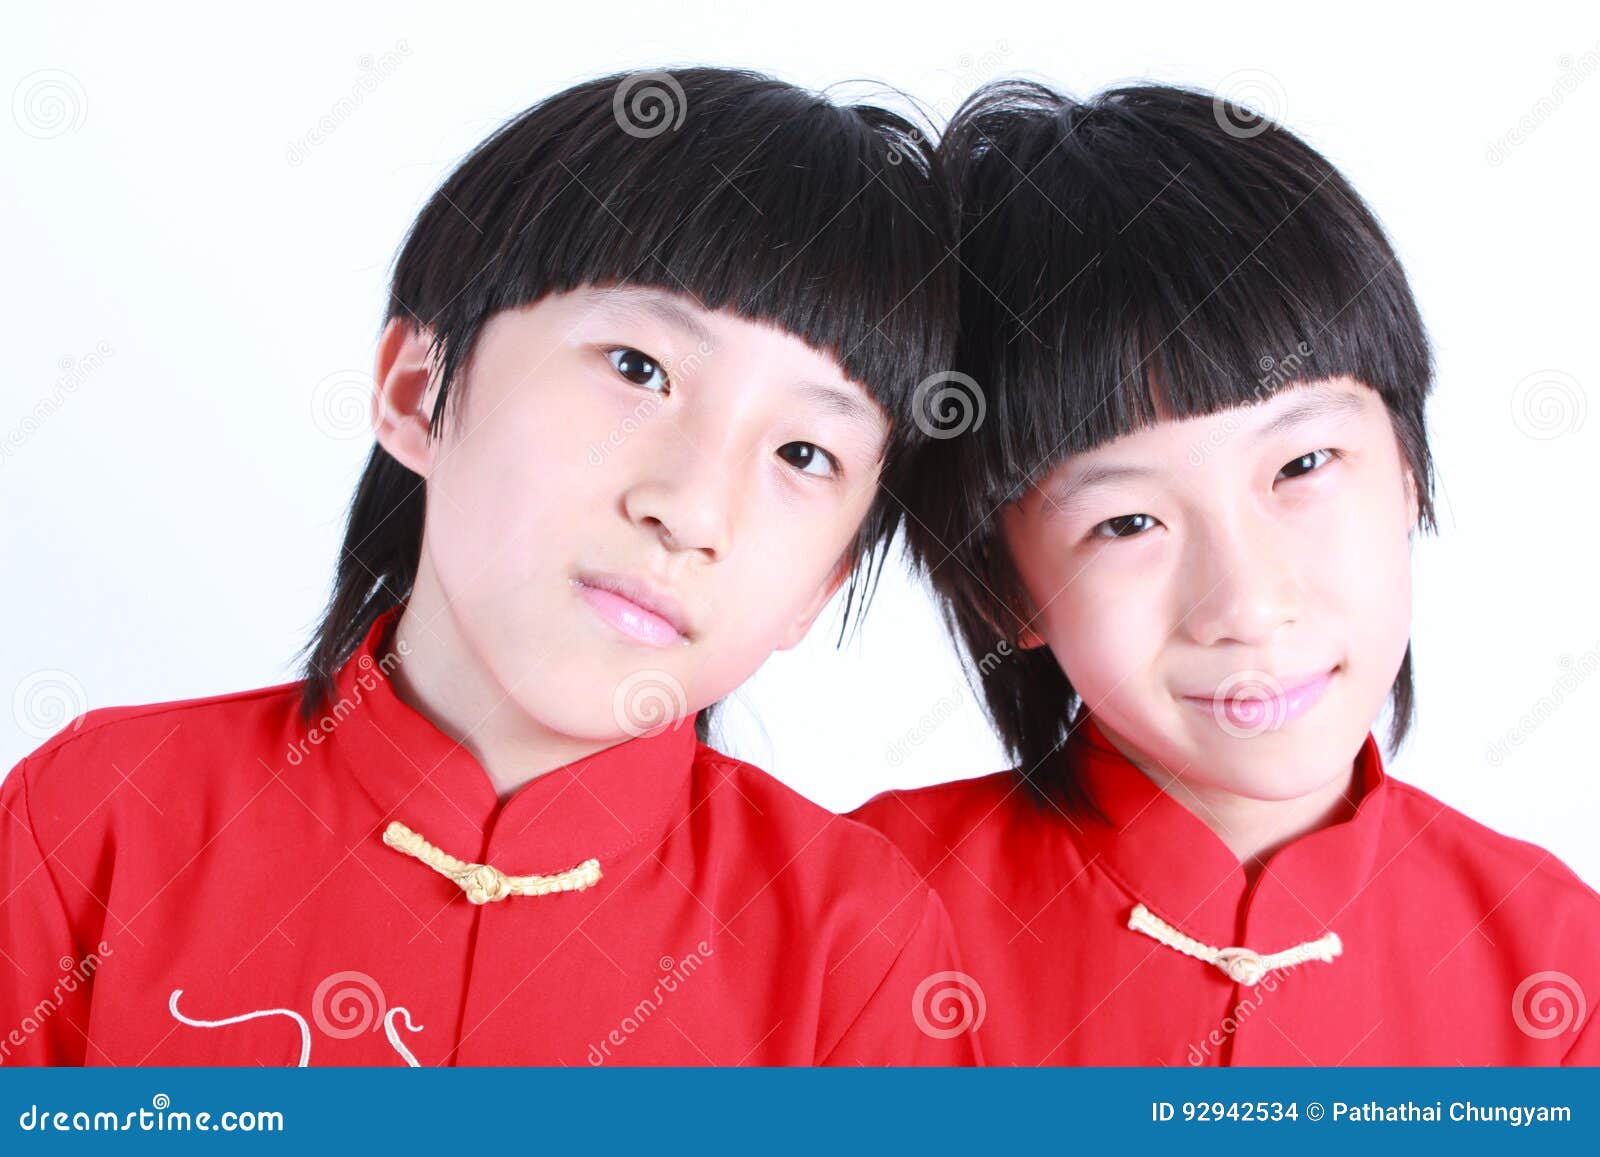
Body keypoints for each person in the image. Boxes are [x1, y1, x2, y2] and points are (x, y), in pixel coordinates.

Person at [1, 67, 973, 1067]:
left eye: (803, 453)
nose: (689, 510)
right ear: (418, 390)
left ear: (823, 585)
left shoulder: (857, 949)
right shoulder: (99, 818)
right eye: (639, 368)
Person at [854, 80, 1599, 1065]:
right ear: (1005, 588)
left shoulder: (1559, 969)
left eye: (1302, 465)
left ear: (1408, 471)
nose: (1246, 604)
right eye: (1127, 521)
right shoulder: (846, 919)